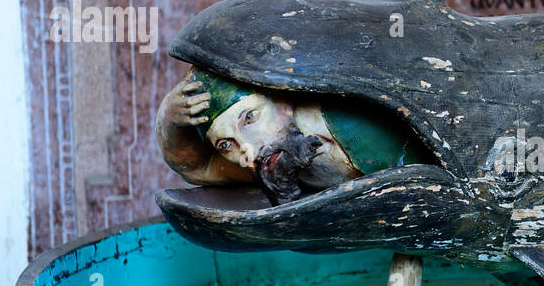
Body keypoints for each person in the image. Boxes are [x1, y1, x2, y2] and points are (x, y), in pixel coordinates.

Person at [155, 68, 424, 204]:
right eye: (225, 145)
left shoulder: (350, 126)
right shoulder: (268, 160)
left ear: (282, 101)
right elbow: (195, 167)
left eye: (249, 118)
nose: (246, 150)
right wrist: (168, 117)